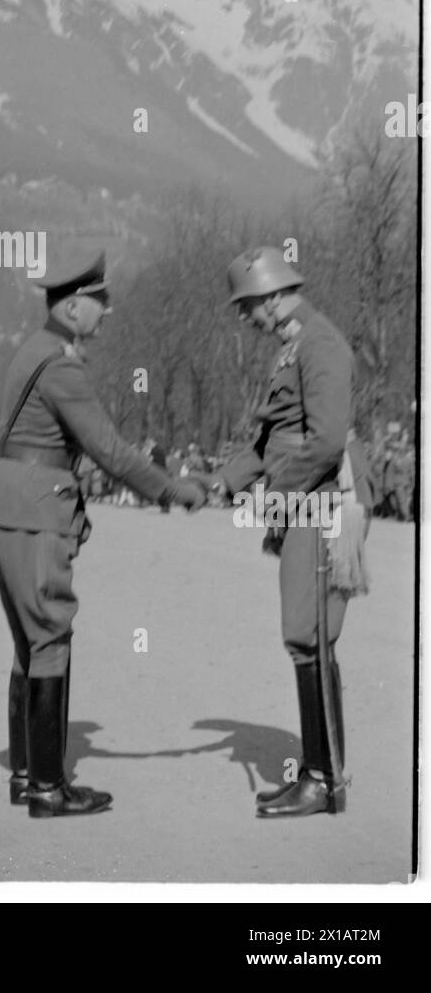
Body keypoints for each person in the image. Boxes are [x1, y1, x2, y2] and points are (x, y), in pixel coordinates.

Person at [0, 248, 205, 819]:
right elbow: (108, 448)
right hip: (36, 506)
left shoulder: (37, 350)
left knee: (29, 640)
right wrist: (172, 489)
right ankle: (50, 790)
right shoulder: (60, 364)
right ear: (74, 305)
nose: (107, 311)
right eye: (101, 301)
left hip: (11, 501)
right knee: (50, 636)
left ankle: (29, 774)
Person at [202, 247, 372, 818]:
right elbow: (269, 440)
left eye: (248, 307)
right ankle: (322, 774)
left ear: (274, 296)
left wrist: (275, 497)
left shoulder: (320, 345)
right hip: (304, 502)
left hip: (321, 505)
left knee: (309, 635)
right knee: (305, 637)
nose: (246, 318)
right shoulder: (293, 347)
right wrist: (222, 481)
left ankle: (323, 780)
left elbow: (325, 443)